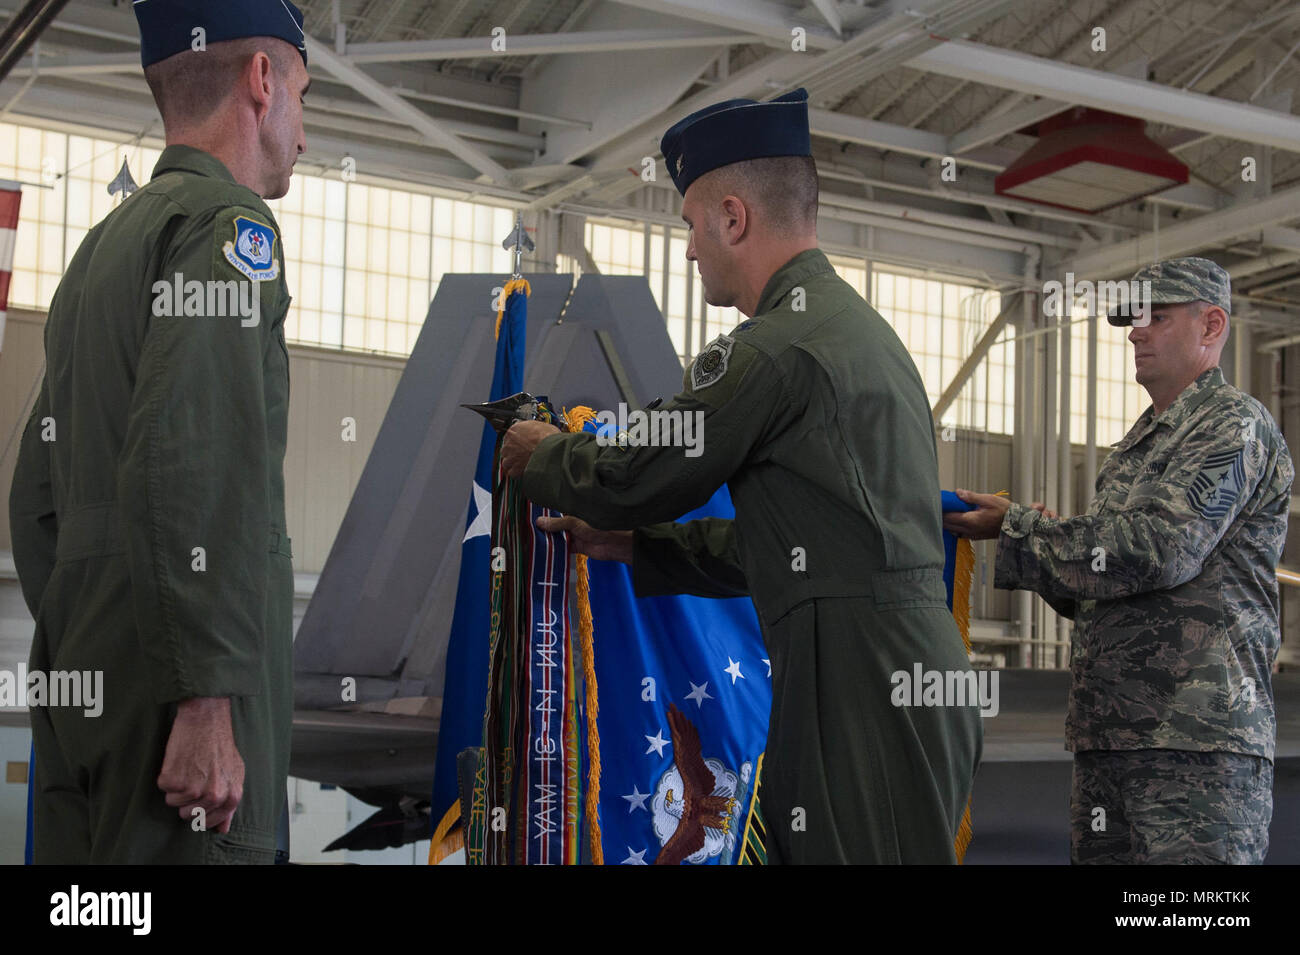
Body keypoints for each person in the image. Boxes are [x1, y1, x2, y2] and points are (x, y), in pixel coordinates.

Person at [500, 88, 982, 864]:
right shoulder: (862, 334)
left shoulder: (773, 346)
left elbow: (647, 466)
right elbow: (804, 550)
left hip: (858, 684)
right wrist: (636, 546)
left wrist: (543, 455)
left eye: (691, 225)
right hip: (883, 671)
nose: (690, 247)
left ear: (734, 216)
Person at [8, 0, 309, 864]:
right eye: (305, 93)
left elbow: (37, 496)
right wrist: (205, 697)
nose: (306, 129)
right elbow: (192, 453)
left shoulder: (103, 248)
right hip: (179, 716)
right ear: (262, 81)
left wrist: (89, 618)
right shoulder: (230, 230)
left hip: (86, 675)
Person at [945, 257, 1292, 864]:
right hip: (1113, 737)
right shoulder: (1134, 446)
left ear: (1211, 326)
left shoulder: (1232, 425)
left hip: (1196, 744)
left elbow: (1163, 549)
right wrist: (1035, 538)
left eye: (1156, 318)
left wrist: (1022, 530)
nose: (1136, 332)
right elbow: (1107, 588)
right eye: (1134, 320)